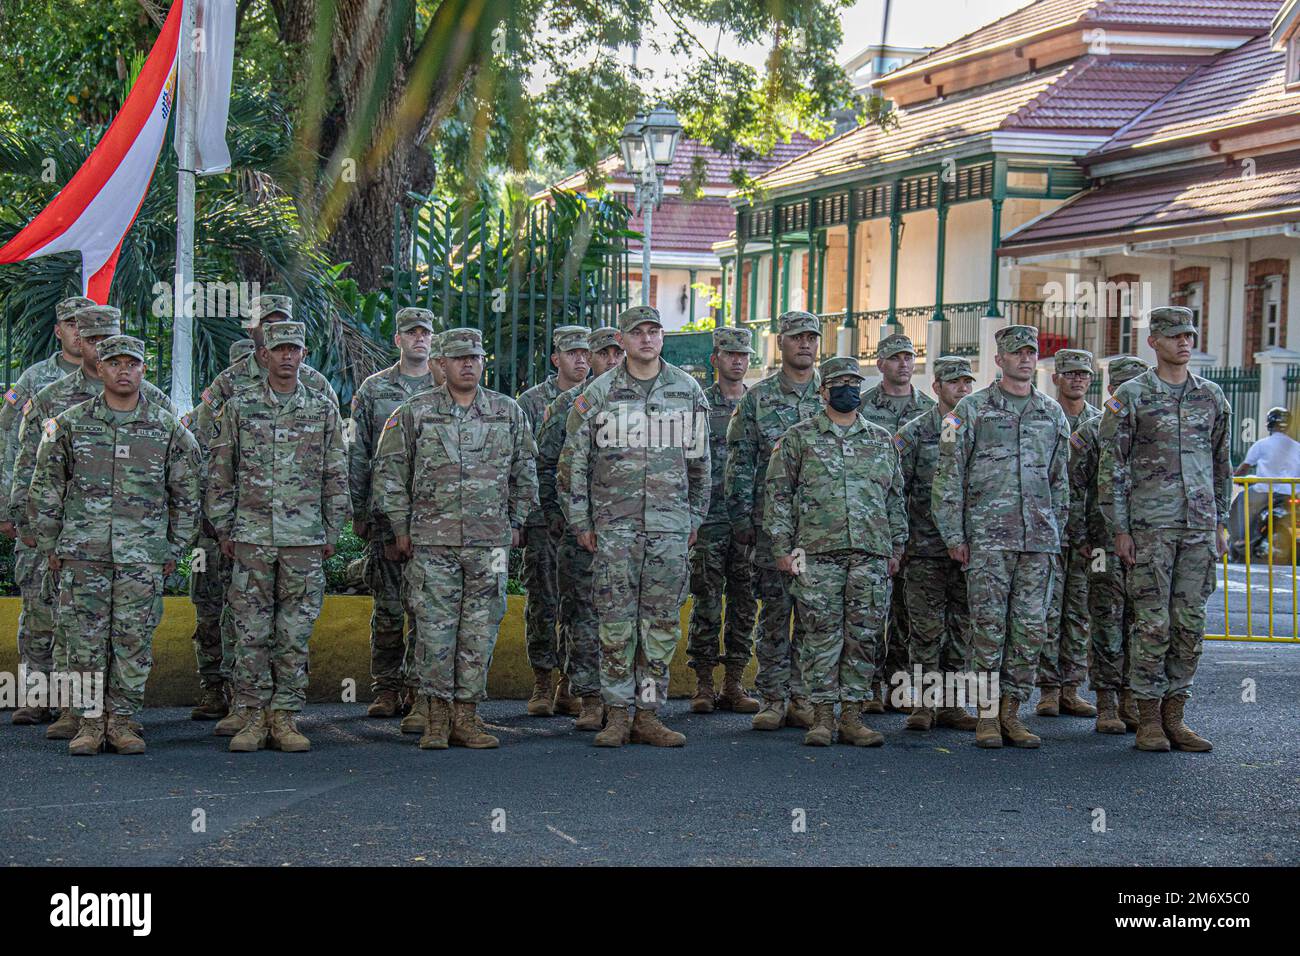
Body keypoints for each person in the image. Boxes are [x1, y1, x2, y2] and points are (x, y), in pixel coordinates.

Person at [10, 305, 176, 740]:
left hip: (132, 540)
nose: (103, 348)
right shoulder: (50, 397)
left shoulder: (154, 403)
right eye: (96, 340)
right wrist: (26, 524)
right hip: (72, 535)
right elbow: (29, 464)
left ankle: (114, 716)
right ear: (80, 341)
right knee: (66, 623)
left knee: (126, 632)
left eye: (112, 340)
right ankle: (71, 709)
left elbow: (182, 479)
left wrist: (173, 546)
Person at [373, 327, 537, 749]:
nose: (469, 364)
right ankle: (435, 718)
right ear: (439, 365)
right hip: (432, 544)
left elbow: (525, 472)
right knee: (433, 631)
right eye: (460, 358)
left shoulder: (508, 412)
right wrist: (401, 527)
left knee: (480, 631)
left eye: (476, 357)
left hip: (490, 546)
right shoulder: (414, 412)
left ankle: (467, 716)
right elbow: (390, 474)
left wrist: (516, 522)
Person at [561, 305, 710, 748]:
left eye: (654, 331)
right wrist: (580, 521)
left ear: (662, 337)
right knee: (616, 623)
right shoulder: (599, 393)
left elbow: (701, 465)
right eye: (637, 332)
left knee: (661, 623)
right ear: (622, 340)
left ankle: (648, 713)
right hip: (614, 527)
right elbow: (573, 464)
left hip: (668, 528)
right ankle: (617, 714)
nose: (646, 339)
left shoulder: (686, 391)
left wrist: (694, 518)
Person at [188, 294, 338, 731]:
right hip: (249, 529)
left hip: (302, 533)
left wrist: (332, 527)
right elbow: (215, 459)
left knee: (292, 630)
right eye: (272, 332)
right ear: (258, 341)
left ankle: (283, 715)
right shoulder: (232, 390)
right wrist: (221, 525)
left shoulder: (319, 395)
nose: (284, 348)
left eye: (290, 335)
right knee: (244, 624)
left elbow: (334, 469)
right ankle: (241, 706)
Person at [1100, 306, 1231, 753]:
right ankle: (1148, 719)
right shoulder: (1130, 396)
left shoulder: (1210, 396)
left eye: (1189, 335)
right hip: (1149, 528)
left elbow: (1221, 464)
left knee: (1190, 624)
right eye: (1174, 336)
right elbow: (1111, 466)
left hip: (1198, 527)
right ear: (1153, 341)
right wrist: (1119, 527)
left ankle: (1177, 715)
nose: (1184, 342)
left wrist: (1221, 523)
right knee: (1152, 623)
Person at [932, 324, 1070, 750]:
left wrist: (1055, 531)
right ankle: (986, 716)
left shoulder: (1051, 412)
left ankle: (1012, 712)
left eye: (1031, 352)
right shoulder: (969, 411)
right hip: (989, 540)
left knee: (1030, 629)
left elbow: (1060, 480)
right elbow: (948, 476)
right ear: (999, 360)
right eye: (1017, 353)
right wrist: (955, 535)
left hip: (1037, 542)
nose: (1026, 359)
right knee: (989, 630)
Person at [765, 355, 907, 747]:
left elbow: (895, 497)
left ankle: (853, 717)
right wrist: (781, 546)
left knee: (863, 636)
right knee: (820, 636)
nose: (848, 390)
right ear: (823, 391)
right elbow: (778, 495)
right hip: (816, 553)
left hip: (870, 552)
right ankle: (822, 717)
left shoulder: (879, 439)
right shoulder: (799, 437)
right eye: (839, 384)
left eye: (854, 384)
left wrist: (896, 546)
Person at [724, 311, 823, 732]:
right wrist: (742, 518)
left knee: (816, 615)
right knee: (775, 614)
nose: (805, 344)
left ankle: (803, 696)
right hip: (773, 528)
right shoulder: (758, 400)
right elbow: (739, 462)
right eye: (797, 337)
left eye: (812, 338)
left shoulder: (832, 394)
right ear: (780, 343)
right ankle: (773, 697)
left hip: (822, 531)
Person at [1, 295, 91, 725]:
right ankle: (35, 696)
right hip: (40, 512)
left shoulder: (108, 378)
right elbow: (11, 448)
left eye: (86, 324)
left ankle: (77, 704)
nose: (79, 331)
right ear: (59, 331)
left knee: (81, 616)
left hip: (89, 519)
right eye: (71, 324)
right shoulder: (36, 381)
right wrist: (10, 509)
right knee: (38, 607)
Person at [348, 307, 437, 719]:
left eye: (425, 332)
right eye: (411, 332)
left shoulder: (446, 384)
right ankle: (386, 688)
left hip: (436, 520)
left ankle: (421, 690)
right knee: (388, 609)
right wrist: (360, 510)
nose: (419, 338)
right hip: (386, 517)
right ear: (398, 339)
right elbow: (359, 452)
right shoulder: (374, 389)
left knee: (428, 609)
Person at [535, 326, 623, 731]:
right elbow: (547, 466)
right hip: (582, 530)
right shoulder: (573, 405)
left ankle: (624, 701)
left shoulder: (645, 407)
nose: (611, 361)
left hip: (629, 531)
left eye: (617, 354)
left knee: (627, 616)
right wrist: (560, 521)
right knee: (582, 614)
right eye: (604, 354)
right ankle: (585, 696)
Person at [893, 355, 979, 732]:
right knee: (925, 630)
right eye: (954, 382)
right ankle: (924, 704)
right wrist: (901, 542)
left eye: (967, 382)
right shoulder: (915, 432)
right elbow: (897, 490)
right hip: (925, 548)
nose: (962, 388)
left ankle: (951, 704)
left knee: (961, 629)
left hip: (968, 549)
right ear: (937, 387)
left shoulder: (977, 426)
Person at [1068, 356, 1150, 734]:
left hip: (1147, 542)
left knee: (1140, 620)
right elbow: (1073, 487)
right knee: (1105, 618)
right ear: (1114, 390)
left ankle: (1132, 699)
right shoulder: (1091, 431)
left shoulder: (1152, 430)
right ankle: (1106, 702)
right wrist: (1080, 535)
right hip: (1101, 545)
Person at [857, 332, 935, 711]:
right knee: (873, 611)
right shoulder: (862, 407)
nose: (904, 363)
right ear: (880, 364)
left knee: (910, 615)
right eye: (895, 358)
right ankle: (870, 685)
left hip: (920, 530)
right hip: (873, 524)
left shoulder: (932, 410)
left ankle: (899, 685)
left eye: (909, 357)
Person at [517, 326, 591, 717]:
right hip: (545, 519)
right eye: (572, 353)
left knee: (579, 604)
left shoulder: (596, 398)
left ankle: (570, 683)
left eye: (585, 352)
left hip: (583, 523)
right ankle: (542, 681)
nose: (580, 360)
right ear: (555, 358)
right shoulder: (532, 402)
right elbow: (528, 463)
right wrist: (535, 517)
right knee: (542, 600)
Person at [687, 326, 759, 715]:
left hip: (747, 521)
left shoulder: (757, 403)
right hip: (710, 518)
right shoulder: (699, 404)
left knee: (745, 602)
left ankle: (734, 682)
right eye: (730, 354)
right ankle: (702, 683)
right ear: (715, 359)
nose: (737, 361)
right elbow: (688, 462)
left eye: (743, 355)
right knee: (707, 601)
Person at [1037, 348, 1102, 719]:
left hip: (1088, 536)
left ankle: (1070, 688)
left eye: (1084, 374)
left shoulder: (1099, 422)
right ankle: (1046, 689)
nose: (1077, 379)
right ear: (1056, 378)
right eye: (1071, 373)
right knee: (1048, 610)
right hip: (1049, 532)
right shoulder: (1042, 417)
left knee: (1078, 612)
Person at [1234, 406, 1300, 542]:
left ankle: (1242, 539)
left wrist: (1236, 477)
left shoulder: (1261, 444)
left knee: (1241, 498)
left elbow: (1243, 469)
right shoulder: (1297, 446)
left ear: (1269, 424)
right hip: (1289, 493)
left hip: (1264, 492)